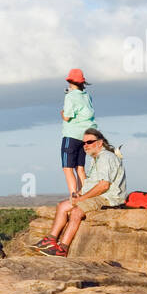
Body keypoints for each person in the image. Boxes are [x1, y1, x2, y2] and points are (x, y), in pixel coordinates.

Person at [34, 129, 125, 257]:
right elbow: (93, 183)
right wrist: (80, 193)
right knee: (63, 206)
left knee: (76, 211)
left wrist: (82, 198)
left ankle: (62, 249)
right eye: (84, 143)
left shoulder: (106, 157)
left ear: (100, 143)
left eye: (89, 142)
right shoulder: (96, 158)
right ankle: (50, 240)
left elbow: (104, 186)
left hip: (108, 198)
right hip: (97, 195)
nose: (85, 145)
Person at [60, 69, 97, 198]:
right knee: (80, 167)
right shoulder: (87, 96)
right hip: (86, 136)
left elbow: (67, 117)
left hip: (72, 135)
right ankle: (83, 194)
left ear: (69, 81)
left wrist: (62, 113)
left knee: (67, 168)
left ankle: (73, 196)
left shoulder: (70, 96)